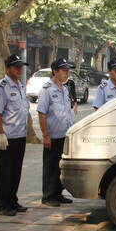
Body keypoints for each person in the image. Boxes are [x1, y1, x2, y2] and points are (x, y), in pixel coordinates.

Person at [0, 52, 29, 215]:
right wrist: (1, 133)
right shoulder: (2, 87)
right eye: (16, 67)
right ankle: (1, 205)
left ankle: (12, 201)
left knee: (15, 172)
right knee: (4, 172)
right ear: (7, 69)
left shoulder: (20, 86)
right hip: (6, 137)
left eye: (21, 67)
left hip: (19, 136)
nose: (19, 70)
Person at [37, 58, 77, 206]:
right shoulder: (47, 90)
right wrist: (45, 134)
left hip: (64, 135)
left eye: (68, 71)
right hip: (52, 136)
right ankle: (48, 196)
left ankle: (58, 194)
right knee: (50, 167)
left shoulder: (65, 89)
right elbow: (42, 113)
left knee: (61, 167)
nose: (67, 73)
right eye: (64, 70)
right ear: (55, 71)